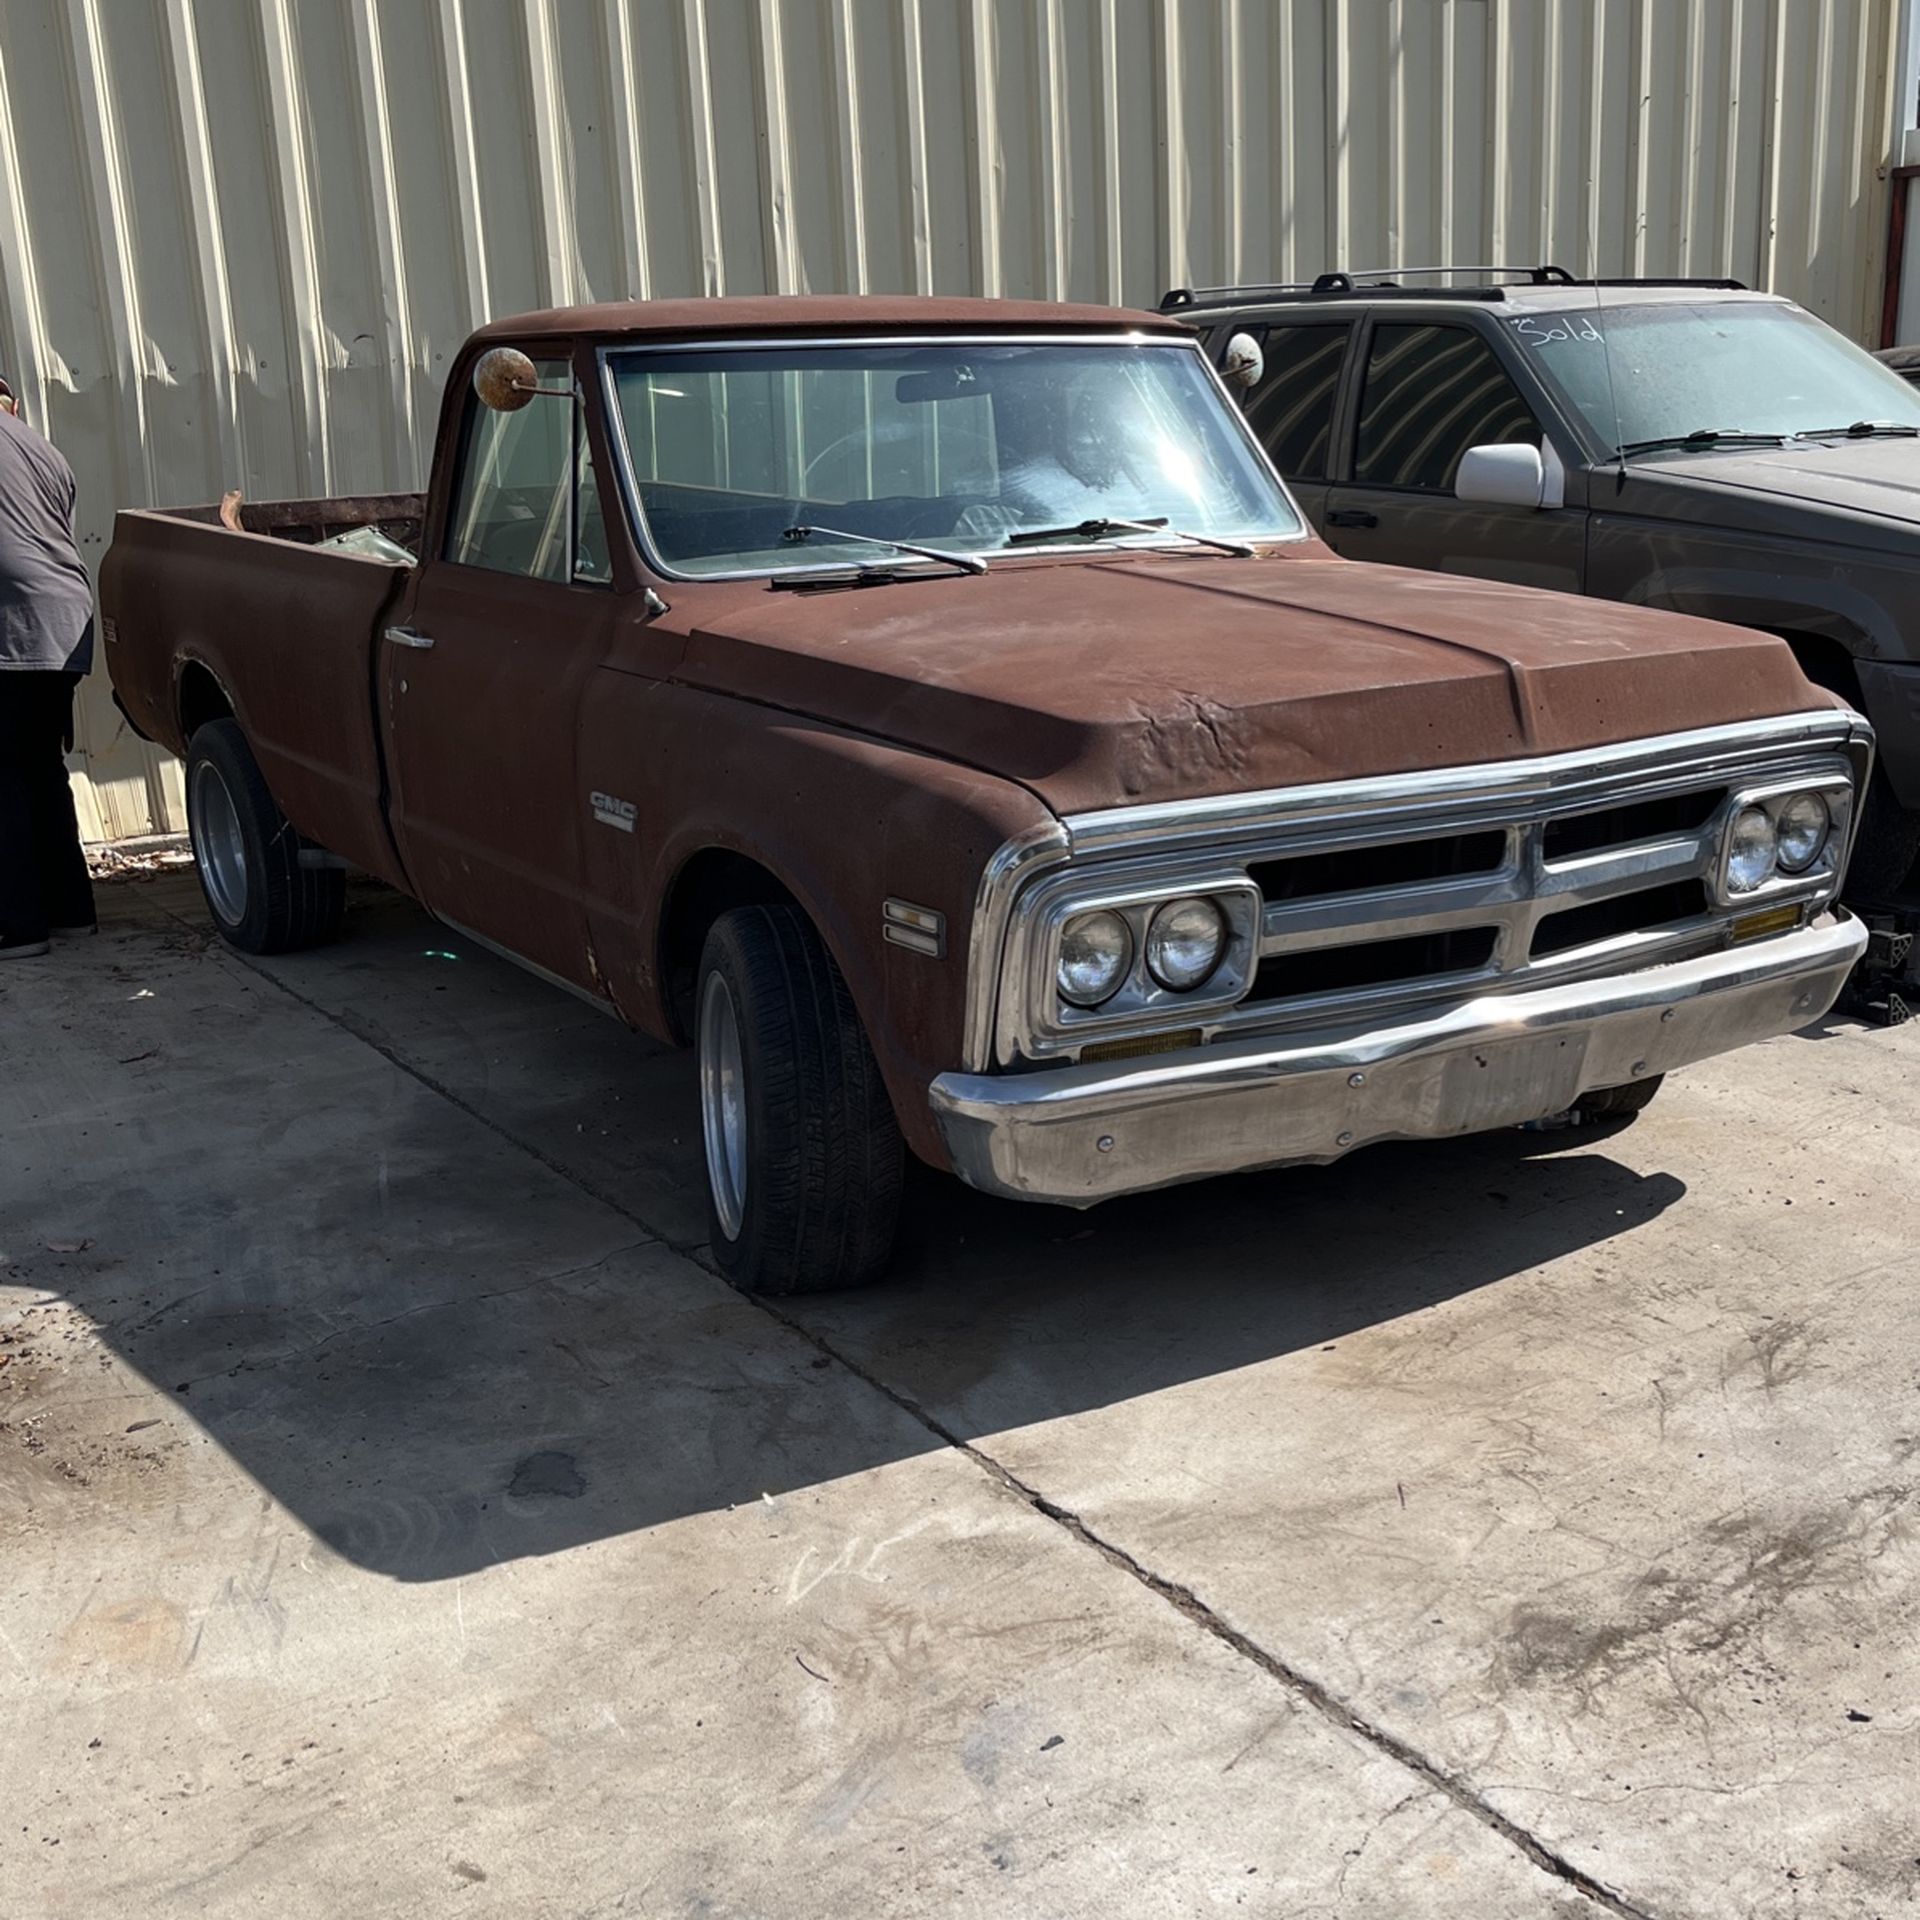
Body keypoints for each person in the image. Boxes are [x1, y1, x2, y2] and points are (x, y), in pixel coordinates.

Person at [0, 373, 96, 958]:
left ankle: (19, 926)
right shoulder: (43, 449)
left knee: (3, 772)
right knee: (39, 763)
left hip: (13, 624)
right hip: (66, 622)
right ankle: (70, 911)